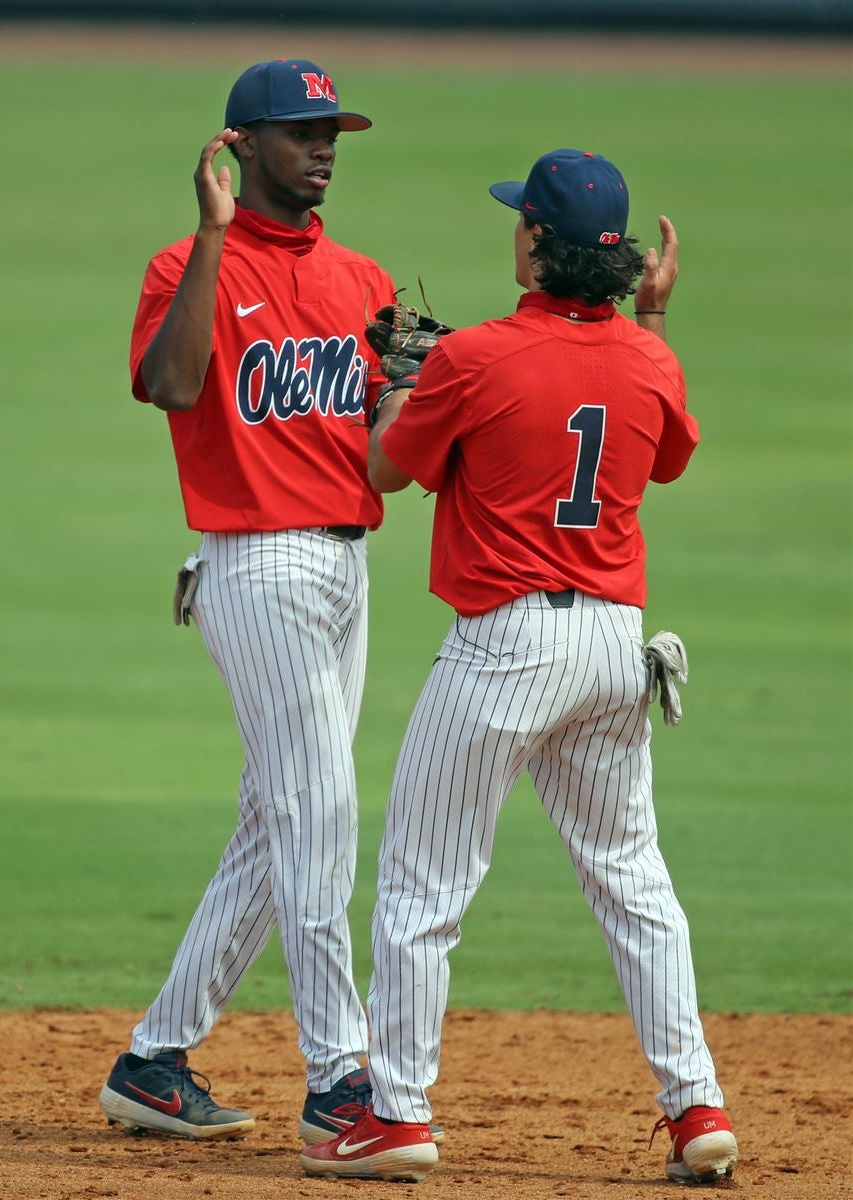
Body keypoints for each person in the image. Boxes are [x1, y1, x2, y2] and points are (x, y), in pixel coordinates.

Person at [300, 149, 739, 1185]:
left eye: (521, 221)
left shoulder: (478, 358)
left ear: (536, 243)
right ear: (625, 262)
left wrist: (404, 388)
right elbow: (668, 454)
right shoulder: (645, 359)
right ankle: (696, 1107)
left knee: (421, 884)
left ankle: (398, 1113)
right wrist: (655, 321)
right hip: (612, 648)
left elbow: (384, 469)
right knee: (634, 883)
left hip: (506, 647)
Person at [99, 58, 402, 1144]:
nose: (324, 146)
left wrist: (413, 392)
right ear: (240, 146)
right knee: (319, 809)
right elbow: (172, 387)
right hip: (255, 568)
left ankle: (154, 1061)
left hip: (343, 565)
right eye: (302, 129)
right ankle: (340, 1087)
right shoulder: (182, 265)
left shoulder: (364, 281)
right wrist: (216, 239)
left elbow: (385, 466)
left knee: (277, 821)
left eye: (333, 131)